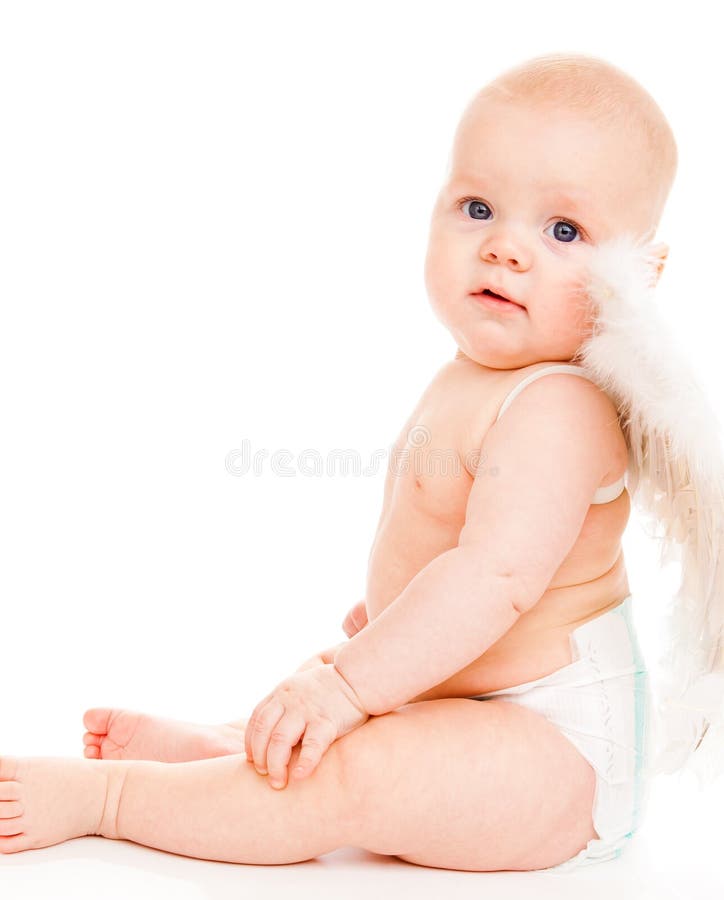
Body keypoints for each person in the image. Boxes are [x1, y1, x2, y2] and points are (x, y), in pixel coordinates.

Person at [0, 52, 696, 872]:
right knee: (327, 693)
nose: (505, 249)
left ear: (638, 279)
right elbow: (446, 549)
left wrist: (350, 687)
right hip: (471, 708)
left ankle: (111, 801)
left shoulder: (563, 409)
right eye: (478, 208)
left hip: (556, 753)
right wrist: (392, 622)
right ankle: (226, 751)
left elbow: (495, 580)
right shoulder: (471, 380)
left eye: (563, 231)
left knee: (351, 763)